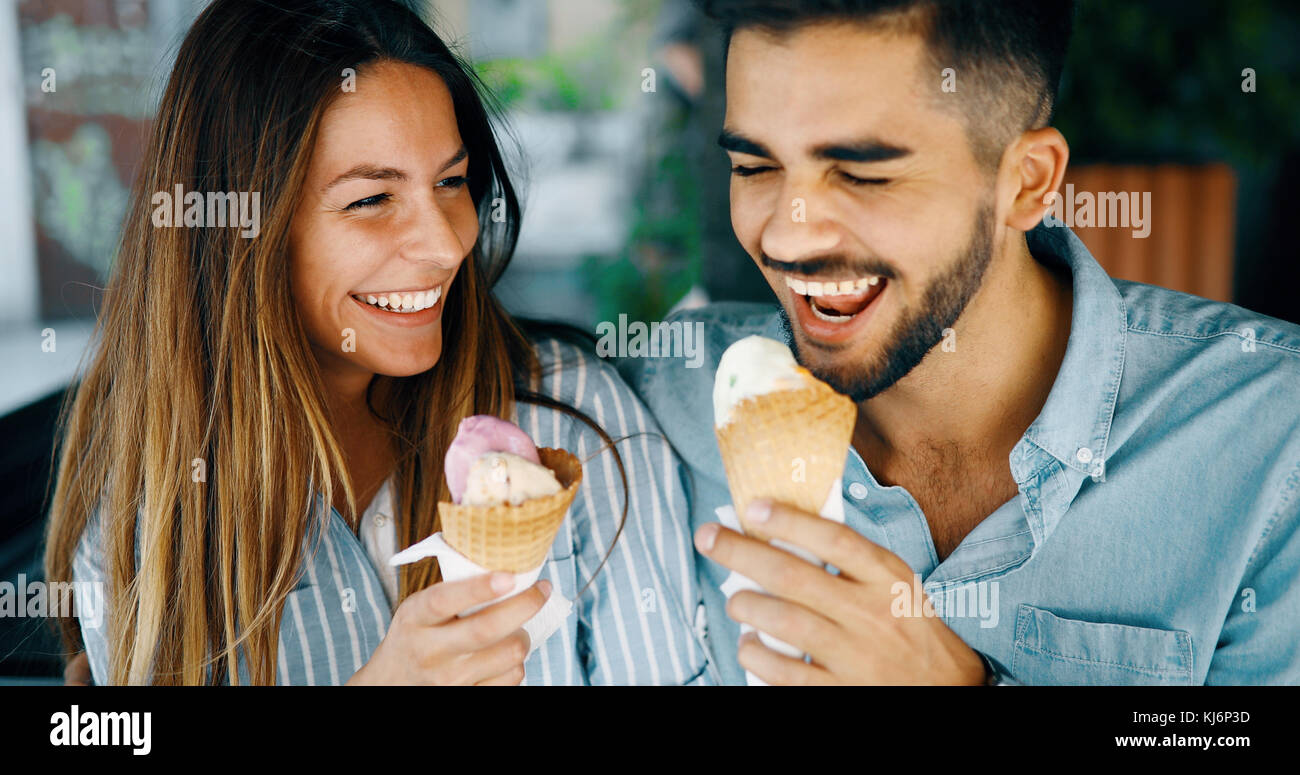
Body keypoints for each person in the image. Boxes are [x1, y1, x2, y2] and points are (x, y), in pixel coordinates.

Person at [619, 0, 1300, 685]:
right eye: (754, 167)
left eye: (862, 174)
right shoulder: (644, 405)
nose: (788, 236)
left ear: (1027, 182)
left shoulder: (1274, 443)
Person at [43, 0, 715, 686]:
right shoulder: (152, 513)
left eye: (451, 182)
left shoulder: (580, 423)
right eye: (371, 200)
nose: (446, 243)